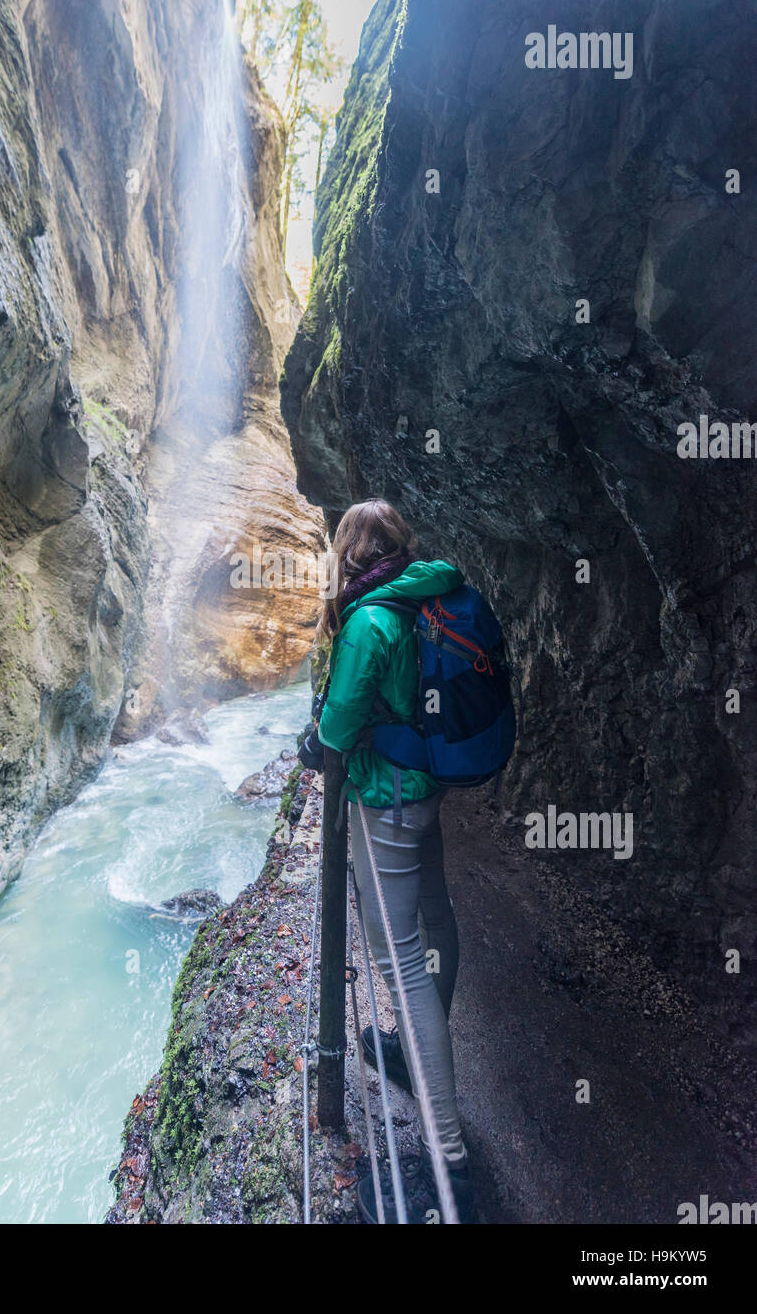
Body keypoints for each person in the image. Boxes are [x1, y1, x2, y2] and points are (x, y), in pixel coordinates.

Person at [299, 498, 478, 1224]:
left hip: (388, 801)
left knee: (398, 963)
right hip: (426, 785)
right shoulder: (422, 596)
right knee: (434, 924)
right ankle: (413, 1047)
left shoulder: (369, 620)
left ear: (348, 552)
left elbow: (339, 722)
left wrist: (315, 742)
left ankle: (450, 1163)